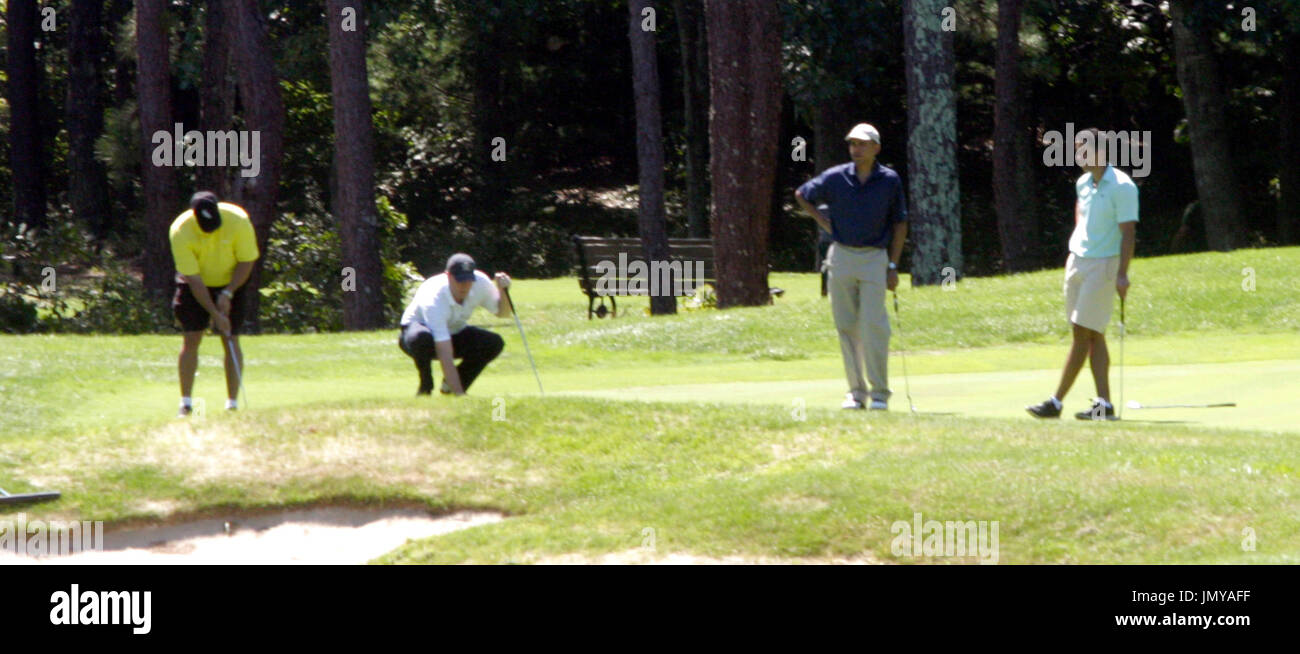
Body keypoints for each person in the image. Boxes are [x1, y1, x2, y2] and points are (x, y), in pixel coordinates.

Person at [1027, 127, 1138, 421]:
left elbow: (1128, 233)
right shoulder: (1083, 183)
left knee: (1081, 333)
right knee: (1093, 334)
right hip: (1077, 262)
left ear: (1101, 153)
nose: (1078, 155)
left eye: (1083, 150)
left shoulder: (1123, 186)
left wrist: (1122, 274)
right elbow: (1081, 213)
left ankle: (1056, 401)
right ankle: (1105, 405)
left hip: (1103, 265)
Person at [794, 123, 908, 410]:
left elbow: (900, 223)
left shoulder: (889, 180)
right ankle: (856, 393)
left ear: (876, 148)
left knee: (873, 326)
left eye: (863, 144)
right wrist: (825, 224)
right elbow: (802, 195)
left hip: (874, 258)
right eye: (853, 144)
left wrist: (893, 265)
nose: (856, 149)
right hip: (841, 256)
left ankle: (880, 392)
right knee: (846, 327)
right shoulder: (835, 177)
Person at [169, 191, 259, 417]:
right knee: (192, 338)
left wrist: (228, 293)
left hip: (232, 281)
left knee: (230, 337)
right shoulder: (180, 230)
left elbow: (247, 260)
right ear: (194, 216)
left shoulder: (238, 220)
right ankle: (186, 403)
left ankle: (232, 404)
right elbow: (194, 279)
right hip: (195, 284)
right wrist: (214, 312)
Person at [399, 253, 513, 396]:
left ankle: (451, 388)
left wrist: (503, 291)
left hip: (454, 331)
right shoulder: (435, 297)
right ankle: (425, 388)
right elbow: (444, 352)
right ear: (448, 276)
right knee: (422, 338)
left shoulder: (481, 282)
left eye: (468, 280)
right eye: (459, 280)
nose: (464, 286)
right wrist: (460, 394)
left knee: (493, 342)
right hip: (417, 334)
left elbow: (503, 313)